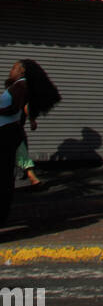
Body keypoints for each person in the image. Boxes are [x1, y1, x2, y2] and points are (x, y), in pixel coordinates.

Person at [0, 60, 60, 224]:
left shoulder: (21, 86)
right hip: (10, 133)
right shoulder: (19, 86)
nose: (11, 70)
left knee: (5, 175)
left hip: (7, 134)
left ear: (22, 71)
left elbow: (17, 108)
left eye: (14, 67)